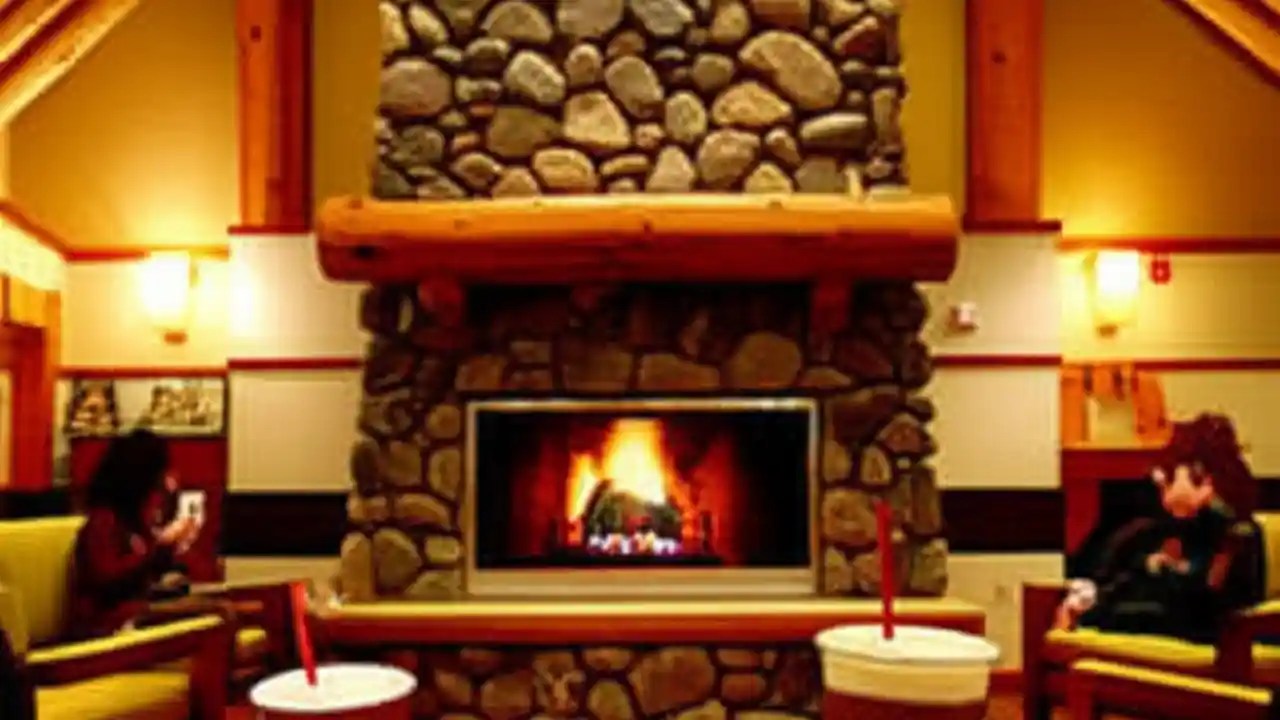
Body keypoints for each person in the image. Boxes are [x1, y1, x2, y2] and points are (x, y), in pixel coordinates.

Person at [1056, 414, 1263, 642]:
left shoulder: (1232, 532)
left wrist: (1161, 568)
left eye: (1172, 474)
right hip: (1178, 621)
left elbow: (1202, 599)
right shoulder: (1172, 528)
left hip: (1204, 633)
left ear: (1205, 479)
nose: (1160, 480)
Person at [70, 429, 202, 639]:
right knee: (213, 616)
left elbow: (148, 575)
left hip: (136, 615)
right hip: (107, 626)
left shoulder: (135, 521)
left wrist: (171, 550)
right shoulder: (103, 522)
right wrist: (156, 551)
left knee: (217, 612)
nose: (164, 486)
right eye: (159, 478)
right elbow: (109, 585)